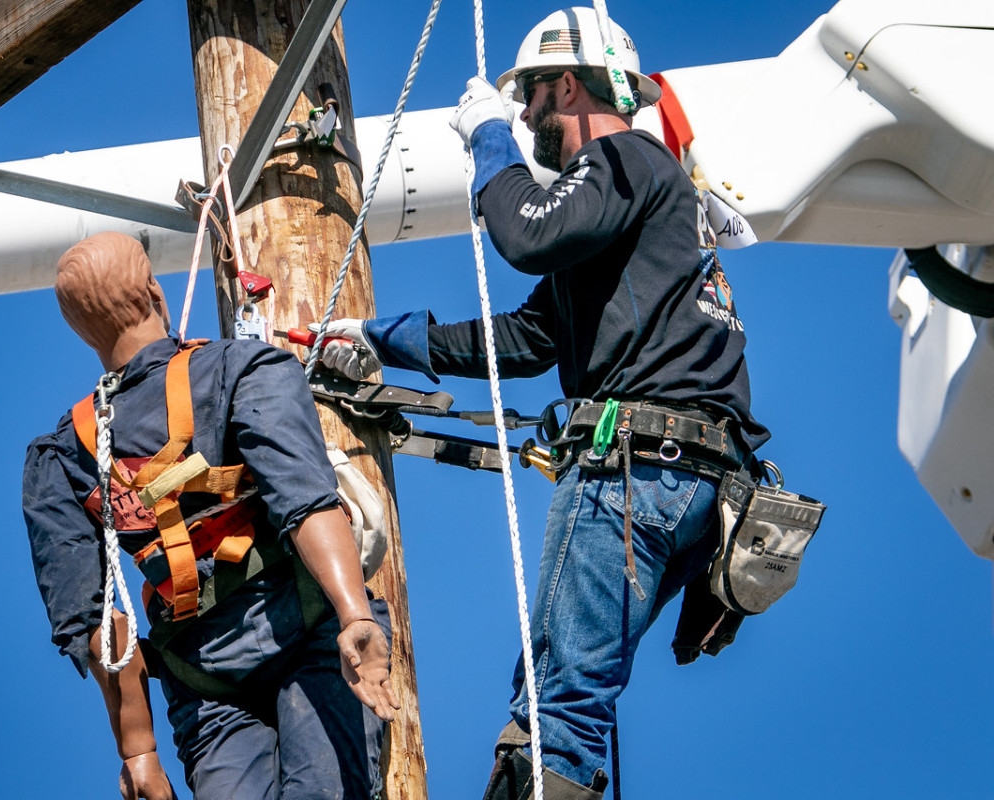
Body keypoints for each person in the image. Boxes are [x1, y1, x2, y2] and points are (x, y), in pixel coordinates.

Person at [316, 7, 770, 799]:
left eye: (529, 101)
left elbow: (525, 231)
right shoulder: (628, 216)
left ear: (567, 83)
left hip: (636, 471)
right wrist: (377, 336)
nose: (526, 119)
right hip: (693, 483)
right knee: (564, 696)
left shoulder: (627, 160)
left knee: (556, 709)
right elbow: (523, 341)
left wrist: (487, 140)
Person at [22, 232, 399, 800]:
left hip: (207, 683)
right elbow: (305, 500)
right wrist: (355, 618)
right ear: (153, 290)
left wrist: (138, 752)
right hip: (310, 630)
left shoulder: (62, 457)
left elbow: (96, 623)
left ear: (80, 330)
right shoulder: (243, 368)